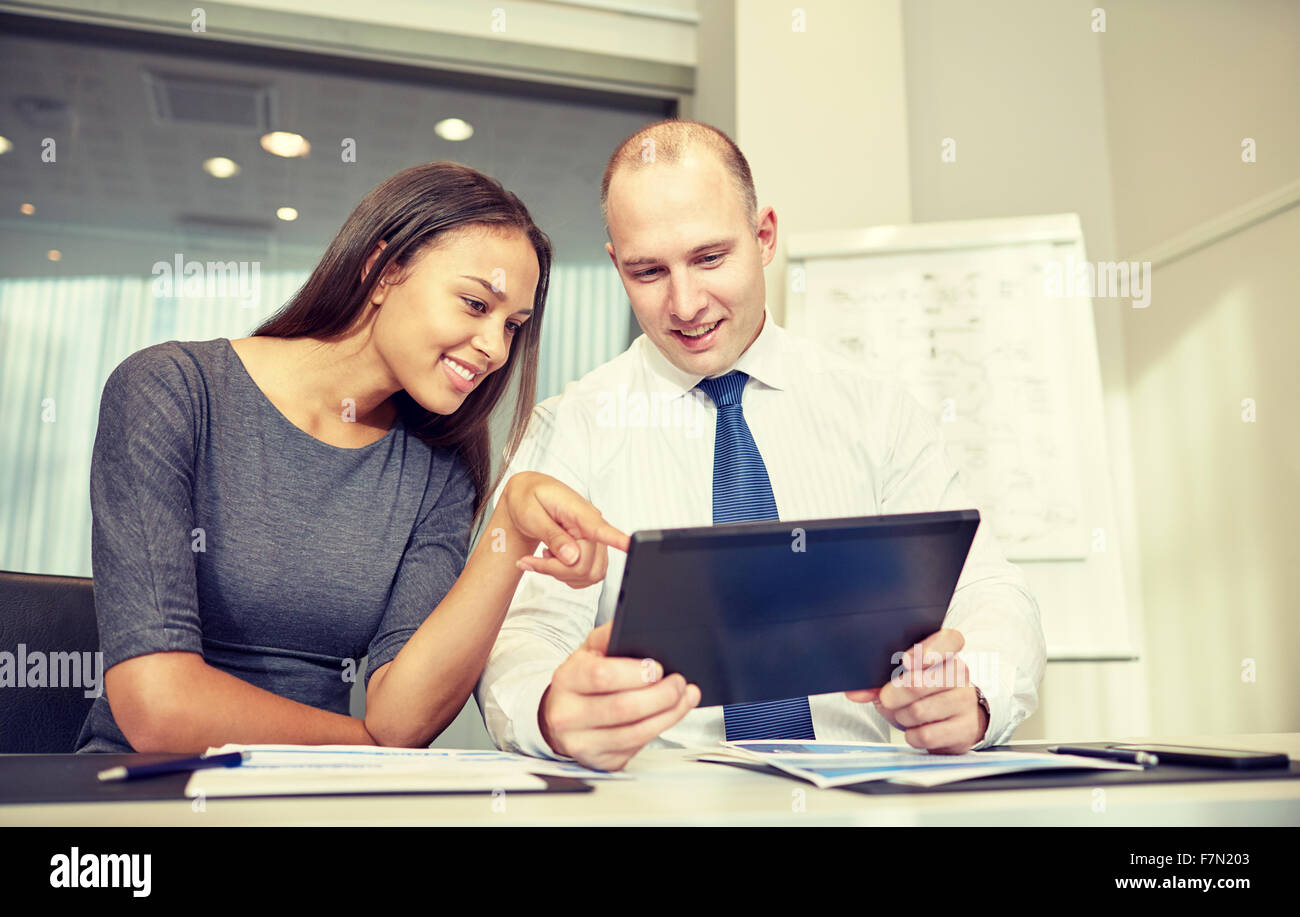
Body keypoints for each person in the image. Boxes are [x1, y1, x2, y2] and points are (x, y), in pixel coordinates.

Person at [476, 120, 1047, 771]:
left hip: (855, 794)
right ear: (616, 265)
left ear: (764, 235)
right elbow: (523, 634)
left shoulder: (877, 411)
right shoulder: (570, 426)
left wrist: (974, 686)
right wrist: (550, 709)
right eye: (648, 271)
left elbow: (992, 591)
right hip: (657, 802)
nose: (685, 303)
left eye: (710, 258)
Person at [76, 161, 626, 754]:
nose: (495, 348)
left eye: (513, 325)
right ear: (383, 271)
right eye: (474, 303)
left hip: (322, 798)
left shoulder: (439, 462)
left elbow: (404, 717)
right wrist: (365, 746)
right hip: (151, 794)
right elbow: (157, 708)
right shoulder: (171, 391)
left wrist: (511, 528)